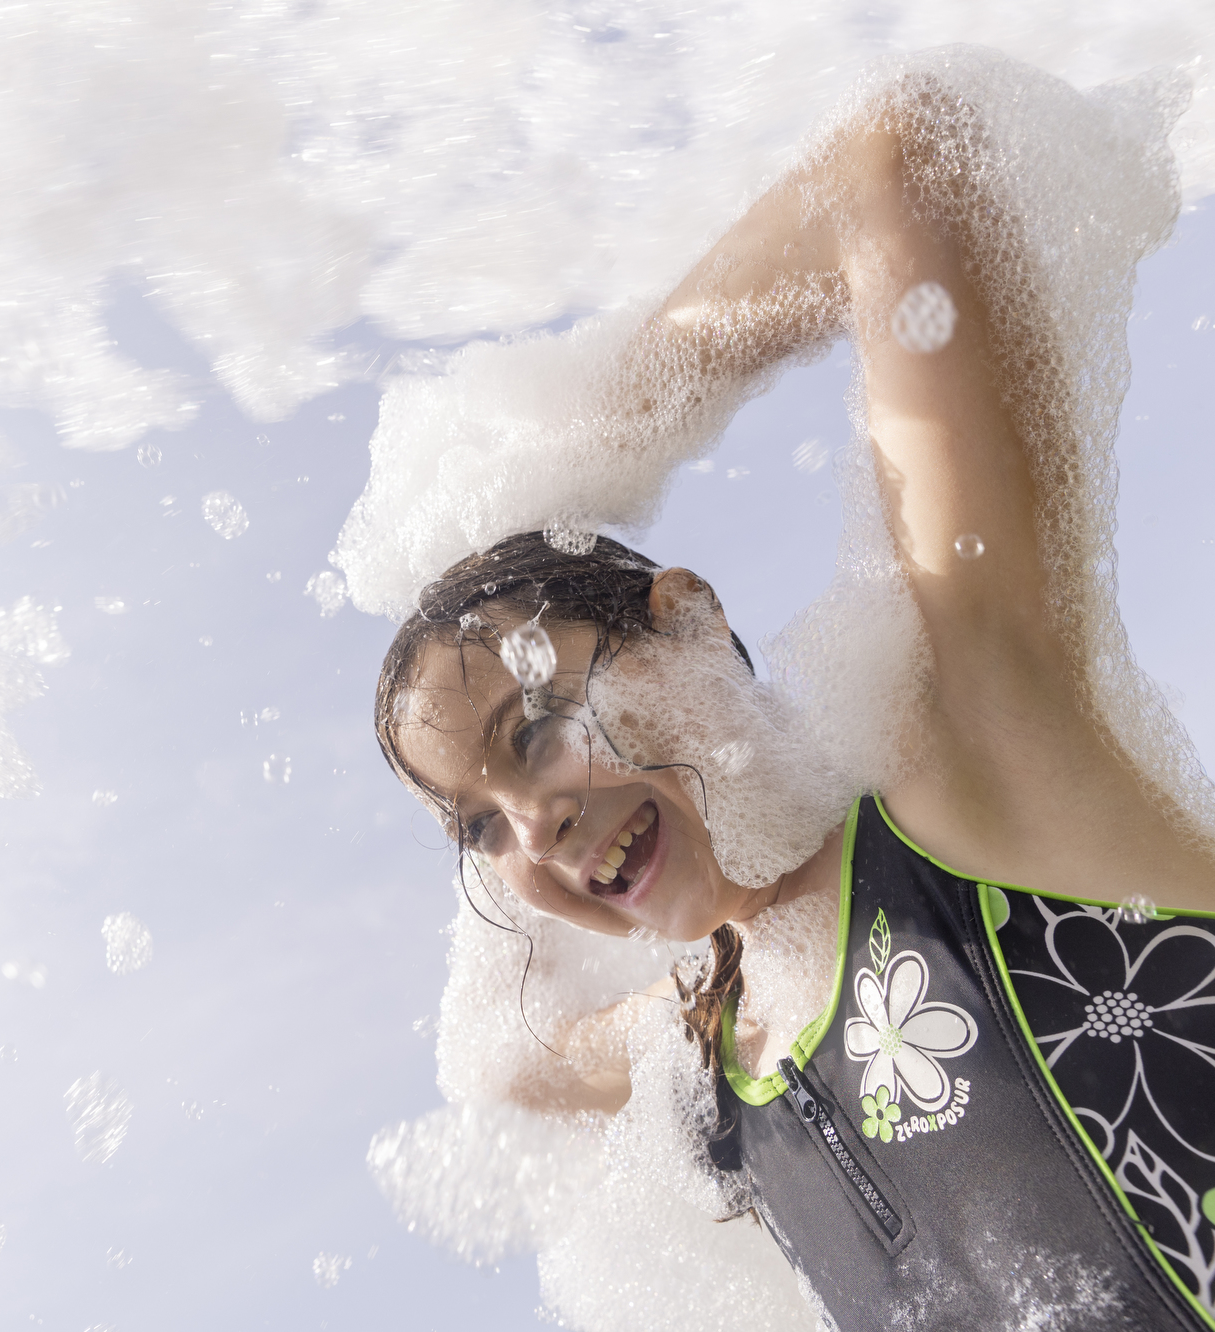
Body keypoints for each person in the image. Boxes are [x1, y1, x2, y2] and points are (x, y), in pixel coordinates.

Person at [365, 60, 1215, 1331]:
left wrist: (606, 425)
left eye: (534, 725)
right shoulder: (701, 1066)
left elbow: (902, 162)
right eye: (476, 825)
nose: (525, 826)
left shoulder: (972, 768)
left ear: (688, 622)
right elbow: (510, 1063)